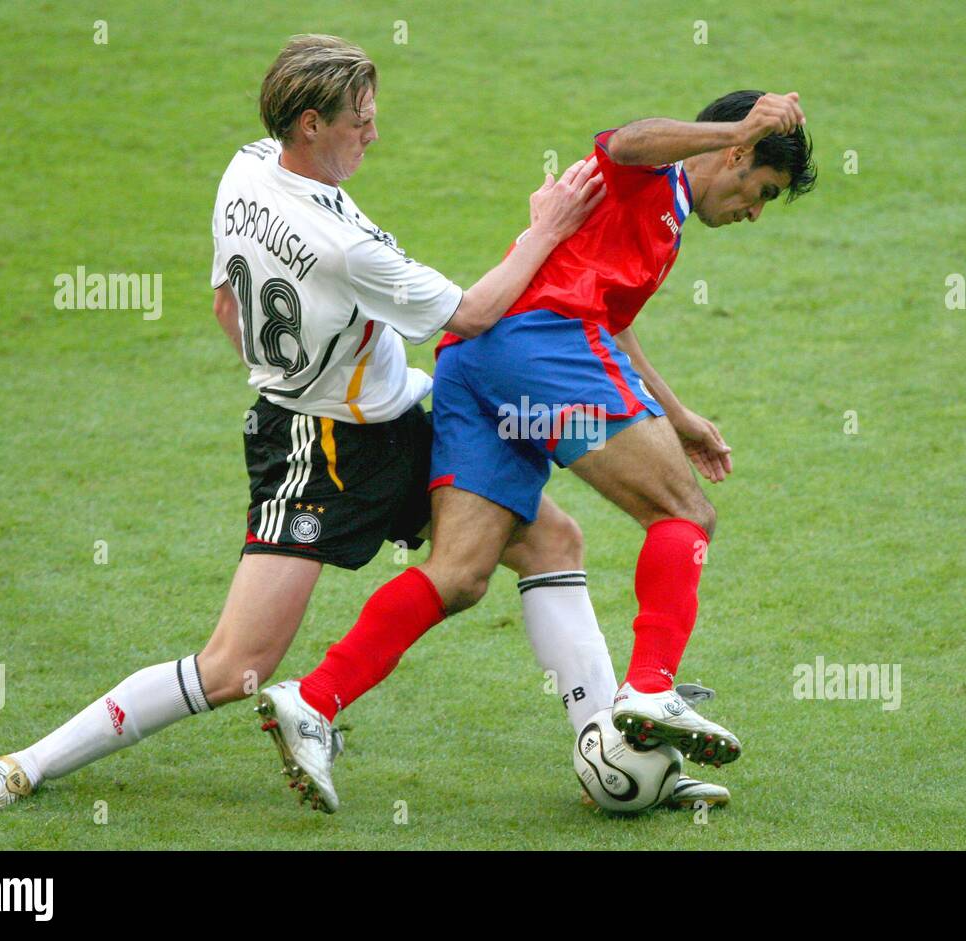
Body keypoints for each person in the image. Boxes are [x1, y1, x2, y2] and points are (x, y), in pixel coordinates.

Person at [0, 33, 663, 814]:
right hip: (319, 450)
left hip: (391, 422)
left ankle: (606, 746)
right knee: (235, 665)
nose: (373, 133)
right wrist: (549, 226)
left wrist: (275, 372)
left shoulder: (245, 168)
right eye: (359, 120)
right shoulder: (347, 251)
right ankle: (27, 762)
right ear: (307, 124)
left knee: (551, 540)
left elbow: (225, 302)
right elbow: (475, 310)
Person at [259, 87, 817, 812]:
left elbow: (613, 326)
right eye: (762, 190)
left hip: (480, 367)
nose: (754, 211)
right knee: (686, 514)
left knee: (460, 573)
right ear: (736, 153)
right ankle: (650, 688)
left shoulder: (665, 223)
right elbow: (624, 140)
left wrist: (676, 415)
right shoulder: (650, 172)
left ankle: (312, 698)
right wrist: (735, 124)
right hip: (538, 353)